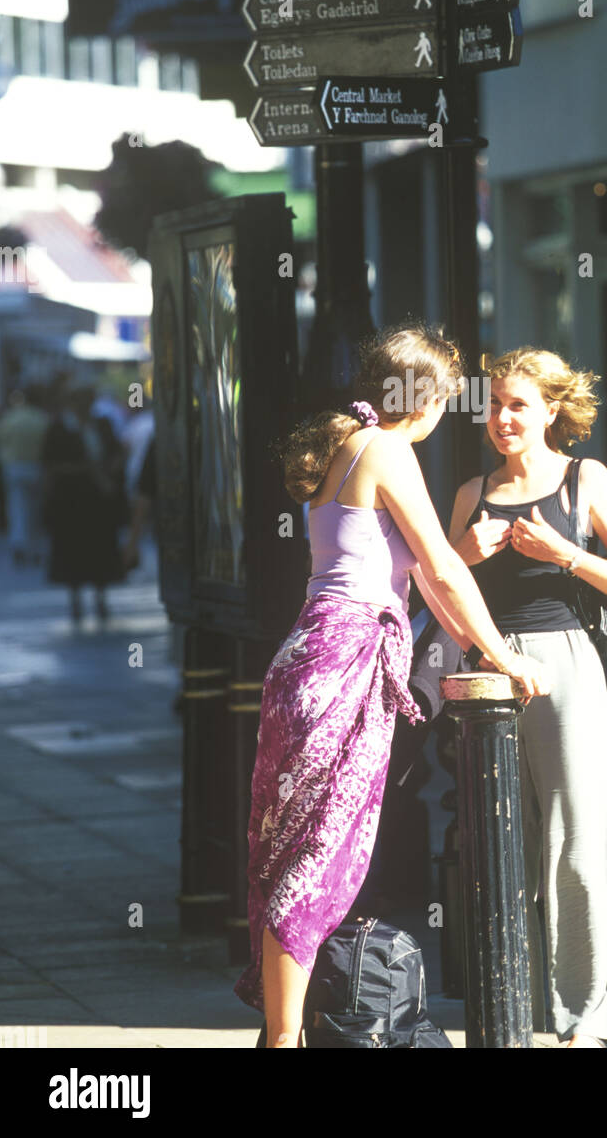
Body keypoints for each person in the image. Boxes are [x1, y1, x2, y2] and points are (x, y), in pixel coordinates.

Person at [232, 326, 549, 1049]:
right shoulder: (388, 449)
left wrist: (475, 641)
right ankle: (283, 1041)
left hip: (310, 660)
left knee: (294, 846)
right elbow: (439, 568)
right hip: (342, 662)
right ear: (428, 399)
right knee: (317, 852)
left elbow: (415, 577)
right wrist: (500, 652)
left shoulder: (353, 445)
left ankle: (280, 1032)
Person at [449, 347, 607, 1048]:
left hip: (565, 666)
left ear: (552, 411)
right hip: (488, 674)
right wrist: (467, 555)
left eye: (518, 405)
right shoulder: (471, 494)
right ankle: (515, 1013)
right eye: (494, 403)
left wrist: (563, 554)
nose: (501, 418)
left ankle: (584, 1019)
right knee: (504, 843)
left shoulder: (583, 480)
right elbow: (439, 591)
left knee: (576, 843)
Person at [41, 382, 128, 622]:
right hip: (71, 502)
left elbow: (116, 452)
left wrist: (110, 472)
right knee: (73, 552)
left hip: (98, 502)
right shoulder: (59, 429)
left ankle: (101, 599)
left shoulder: (102, 425)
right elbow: (50, 464)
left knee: (99, 550)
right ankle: (76, 601)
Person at [0, 385, 49, 565]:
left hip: (15, 468)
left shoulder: (11, 419)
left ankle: (20, 544)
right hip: (36, 468)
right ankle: (34, 547)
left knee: (18, 509)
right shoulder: (41, 419)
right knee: (35, 511)